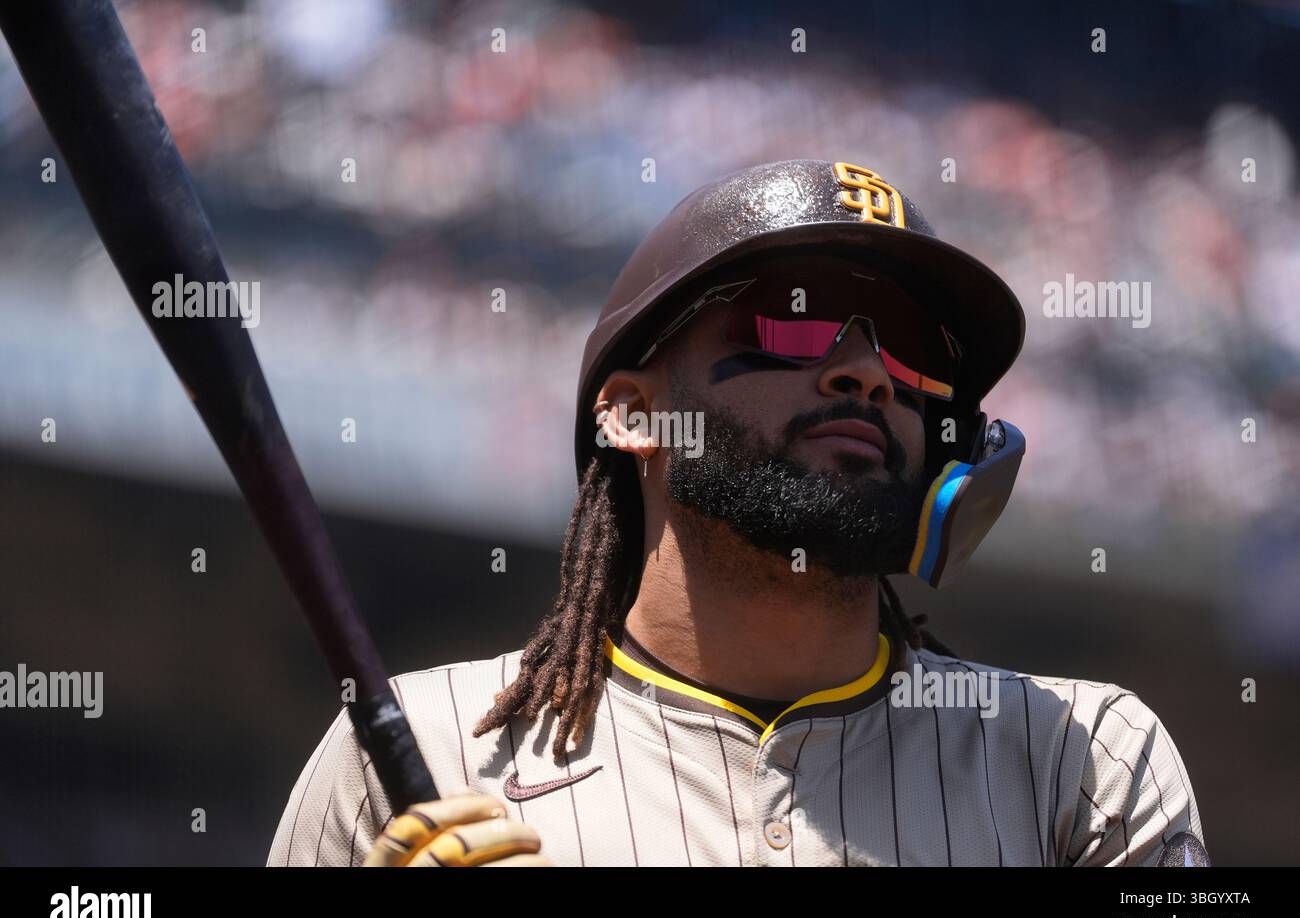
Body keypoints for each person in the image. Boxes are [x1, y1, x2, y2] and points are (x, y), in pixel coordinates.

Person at [269, 160, 1207, 867]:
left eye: (917, 355)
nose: (871, 372)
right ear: (635, 413)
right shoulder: (417, 754)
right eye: (793, 319)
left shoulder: (1084, 763)